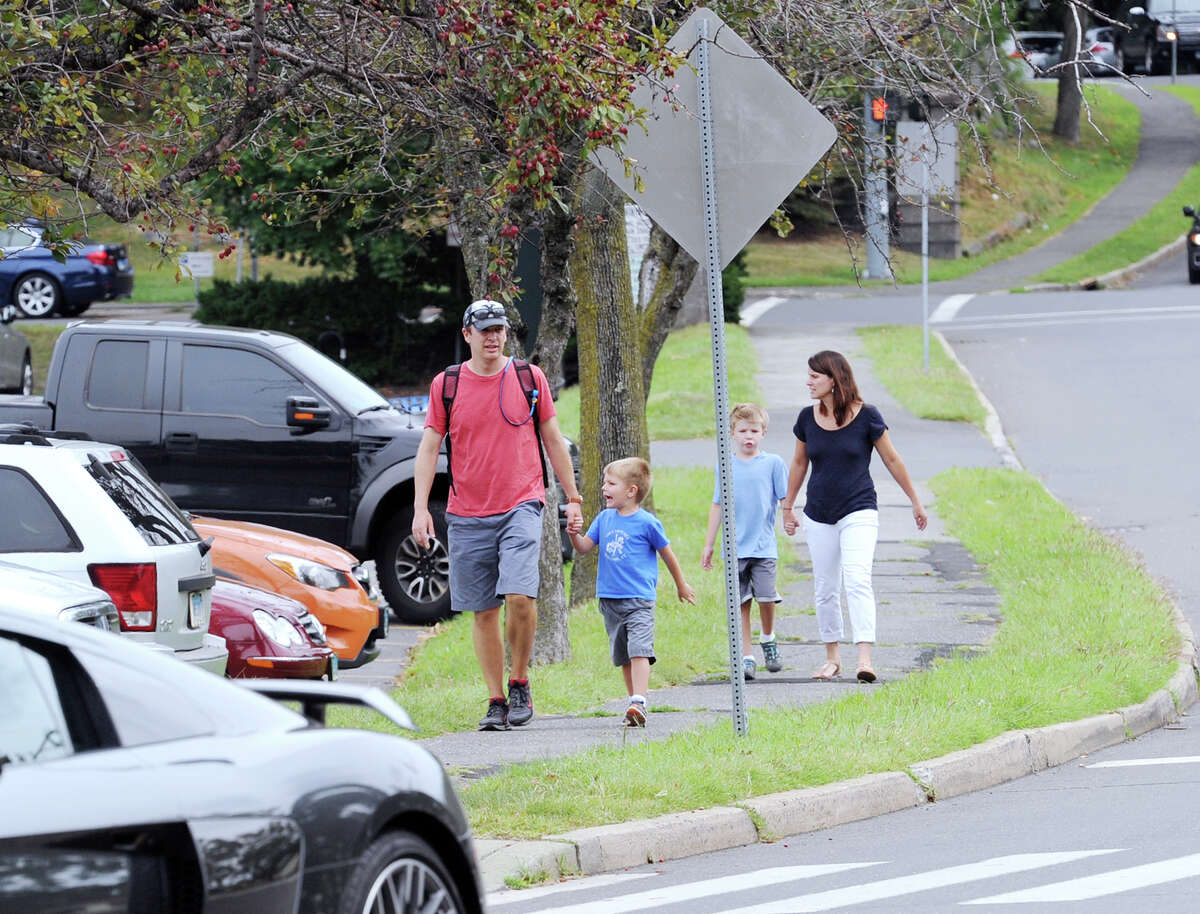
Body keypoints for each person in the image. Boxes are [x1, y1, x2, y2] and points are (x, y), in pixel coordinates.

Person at [412, 299, 584, 732]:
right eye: (484, 330)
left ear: (507, 333)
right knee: (484, 611)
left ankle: (520, 681)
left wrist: (573, 496)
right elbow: (429, 447)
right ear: (467, 335)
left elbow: (553, 439)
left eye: (499, 330)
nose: (492, 337)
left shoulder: (529, 378)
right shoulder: (447, 385)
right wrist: (420, 508)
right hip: (467, 511)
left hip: (522, 502)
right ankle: (495, 699)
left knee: (520, 597)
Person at [781, 350, 927, 683]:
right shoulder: (806, 418)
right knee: (825, 588)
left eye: (814, 376)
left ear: (834, 379)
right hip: (818, 513)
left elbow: (892, 460)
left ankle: (864, 659)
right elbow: (800, 463)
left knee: (857, 578)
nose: (808, 382)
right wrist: (788, 506)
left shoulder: (868, 416)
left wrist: (915, 501)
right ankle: (832, 658)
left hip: (858, 509)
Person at [569, 457, 696, 727]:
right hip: (609, 600)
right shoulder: (604, 519)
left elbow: (668, 554)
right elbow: (583, 547)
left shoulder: (647, 523)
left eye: (610, 483)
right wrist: (572, 533)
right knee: (624, 655)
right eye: (604, 482)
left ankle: (640, 701)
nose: (604, 487)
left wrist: (681, 584)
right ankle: (633, 705)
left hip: (639, 599)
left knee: (639, 649)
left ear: (631, 491)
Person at [700, 403, 788, 680]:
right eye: (743, 431)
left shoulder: (773, 463)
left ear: (763, 433)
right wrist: (709, 544)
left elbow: (784, 498)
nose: (748, 436)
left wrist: (790, 517)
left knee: (766, 597)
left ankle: (768, 638)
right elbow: (717, 504)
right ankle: (746, 656)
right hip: (734, 548)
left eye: (754, 431)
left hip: (763, 546)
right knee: (741, 604)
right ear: (732, 433)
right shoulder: (725, 465)